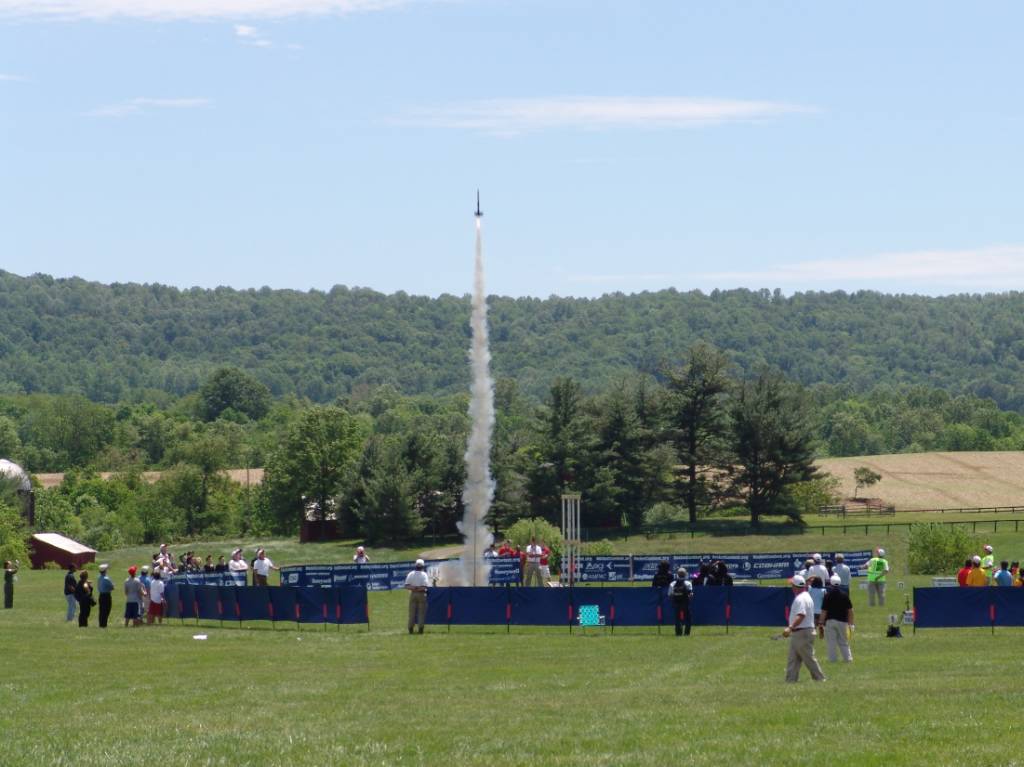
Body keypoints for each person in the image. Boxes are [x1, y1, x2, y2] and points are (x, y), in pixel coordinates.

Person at [783, 574, 826, 683]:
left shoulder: (801, 599)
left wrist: (790, 627)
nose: (791, 587)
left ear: (795, 586)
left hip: (802, 632)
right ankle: (790, 680)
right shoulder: (805, 596)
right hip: (800, 632)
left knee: (808, 658)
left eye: (792, 585)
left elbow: (801, 615)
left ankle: (820, 678)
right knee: (793, 659)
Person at [820, 574, 854, 662]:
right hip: (843, 622)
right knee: (843, 641)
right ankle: (848, 659)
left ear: (831, 583)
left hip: (830, 621)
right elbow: (850, 610)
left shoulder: (827, 595)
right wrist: (851, 624)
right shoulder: (845, 595)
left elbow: (824, 611)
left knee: (831, 642)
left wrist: (821, 623)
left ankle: (832, 660)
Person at [404, 559, 429, 634]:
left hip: (413, 594)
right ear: (423, 566)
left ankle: (410, 628)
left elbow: (406, 586)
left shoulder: (411, 574)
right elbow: (424, 587)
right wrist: (418, 588)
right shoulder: (424, 574)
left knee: (411, 613)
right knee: (421, 613)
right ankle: (420, 629)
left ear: (415, 565)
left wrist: (414, 588)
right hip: (421, 594)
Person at [669, 567, 693, 637]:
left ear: (677, 574)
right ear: (685, 574)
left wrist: (673, 601)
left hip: (676, 603)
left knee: (677, 619)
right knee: (688, 619)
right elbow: (690, 594)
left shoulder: (672, 584)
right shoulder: (688, 583)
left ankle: (678, 633)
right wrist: (689, 600)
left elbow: (670, 595)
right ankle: (686, 633)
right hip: (685, 603)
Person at [97, 563, 114, 628]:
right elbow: (112, 587)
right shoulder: (106, 579)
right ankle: (104, 624)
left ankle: (101, 623)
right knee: (106, 610)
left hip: (101, 595)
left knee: (101, 610)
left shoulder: (99, 578)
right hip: (106, 596)